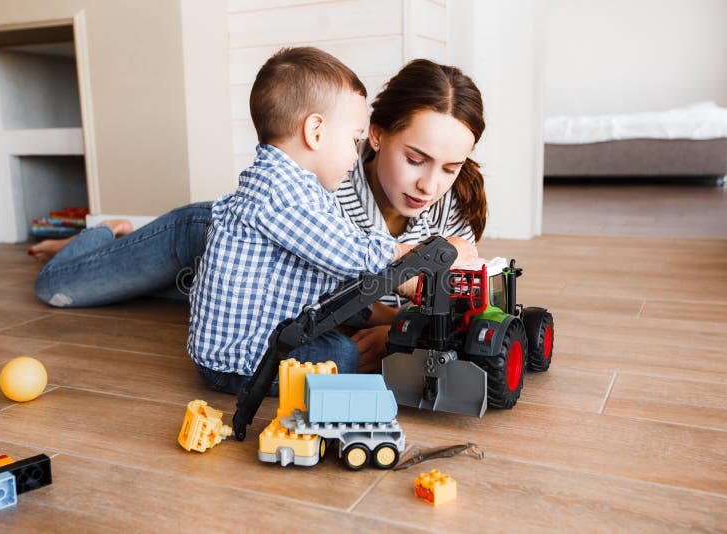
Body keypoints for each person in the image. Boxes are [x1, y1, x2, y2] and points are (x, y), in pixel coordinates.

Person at [32, 54, 487, 382]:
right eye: (415, 158)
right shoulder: (330, 172)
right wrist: (402, 285)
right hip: (202, 233)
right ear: (376, 133)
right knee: (60, 287)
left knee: (168, 295)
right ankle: (100, 234)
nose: (430, 184)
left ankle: (139, 255)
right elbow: (352, 269)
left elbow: (443, 306)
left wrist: (397, 331)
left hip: (258, 281)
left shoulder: (452, 206)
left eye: (450, 168)